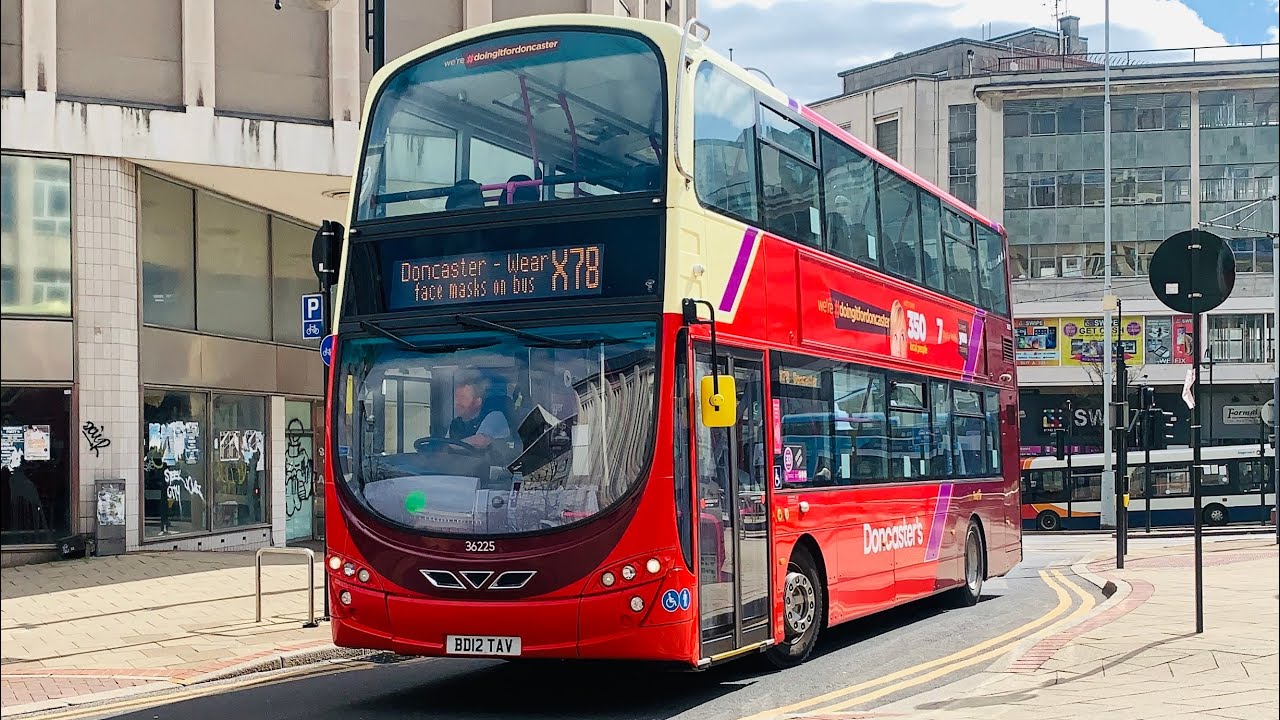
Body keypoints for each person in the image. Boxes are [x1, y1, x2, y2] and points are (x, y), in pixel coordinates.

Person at [447, 372, 512, 451]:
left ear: (477, 402)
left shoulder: (495, 416)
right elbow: (444, 445)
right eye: (457, 397)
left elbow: (480, 441)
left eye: (463, 398)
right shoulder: (456, 423)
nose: (457, 402)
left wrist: (450, 446)